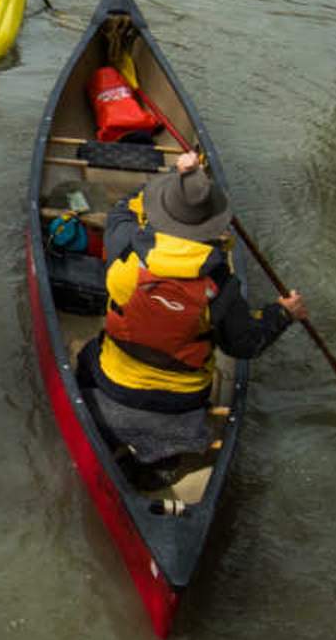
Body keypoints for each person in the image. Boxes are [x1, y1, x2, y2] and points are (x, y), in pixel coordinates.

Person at [76, 153, 303, 479]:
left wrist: (175, 176)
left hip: (113, 385)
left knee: (87, 355)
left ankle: (92, 416)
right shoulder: (222, 285)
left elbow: (124, 209)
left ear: (161, 212)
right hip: (179, 406)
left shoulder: (124, 249)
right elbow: (245, 346)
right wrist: (282, 313)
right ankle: (158, 461)